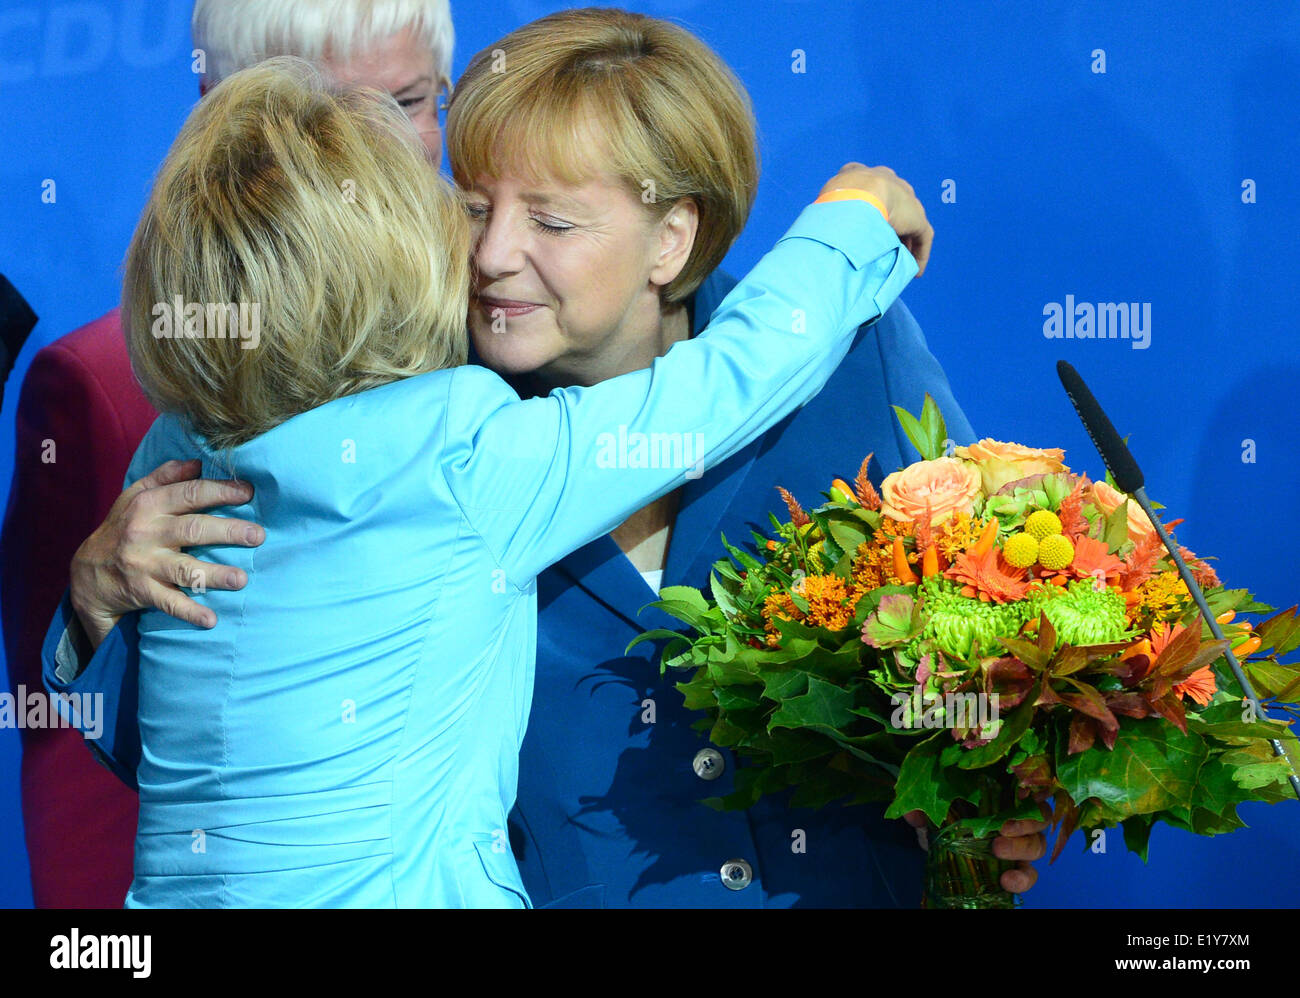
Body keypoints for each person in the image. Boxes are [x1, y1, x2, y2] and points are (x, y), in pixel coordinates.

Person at [47, 8, 1046, 906]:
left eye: (551, 219)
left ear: (671, 236)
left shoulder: (849, 355)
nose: (488, 255)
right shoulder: (382, 408)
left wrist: (972, 776)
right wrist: (96, 598)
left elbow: (974, 608)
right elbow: (212, 744)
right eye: (474, 206)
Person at [0, 0, 453, 908]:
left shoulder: (524, 331)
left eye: (407, 103)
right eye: (331, 115)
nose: (378, 159)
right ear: (220, 114)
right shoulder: (109, 385)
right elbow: (75, 772)